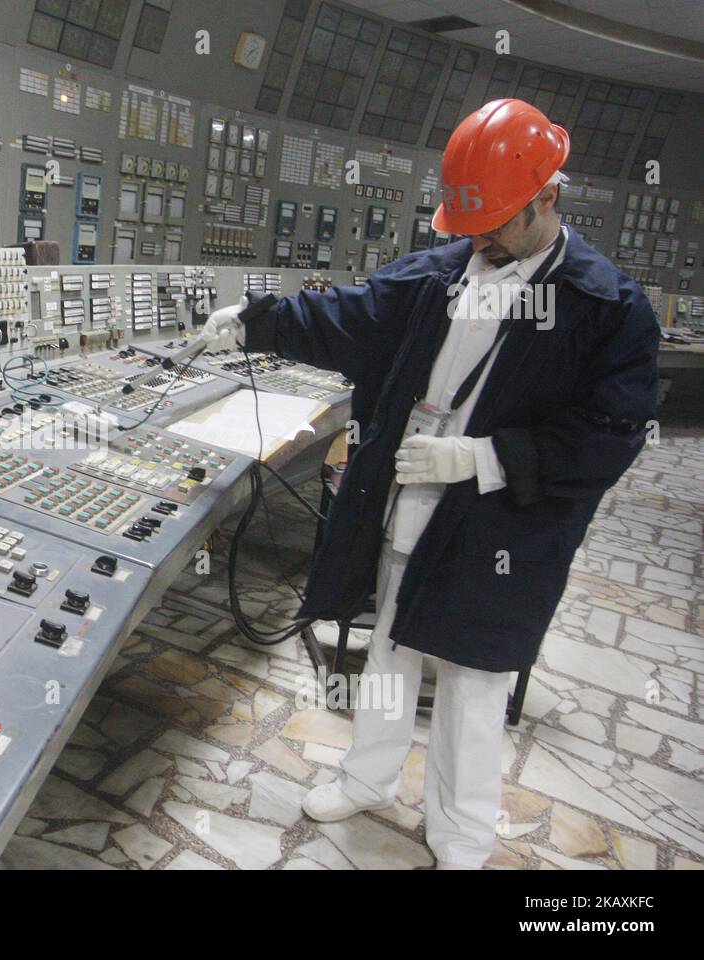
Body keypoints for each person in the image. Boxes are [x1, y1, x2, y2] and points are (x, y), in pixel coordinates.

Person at [202, 99, 660, 869]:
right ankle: (367, 776)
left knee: (474, 682)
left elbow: (609, 438)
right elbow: (352, 316)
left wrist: (483, 459)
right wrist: (258, 320)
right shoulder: (442, 272)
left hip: (502, 528)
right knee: (387, 652)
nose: (482, 239)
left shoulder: (607, 306)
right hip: (406, 503)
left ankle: (461, 832)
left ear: (549, 197)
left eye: (499, 222)